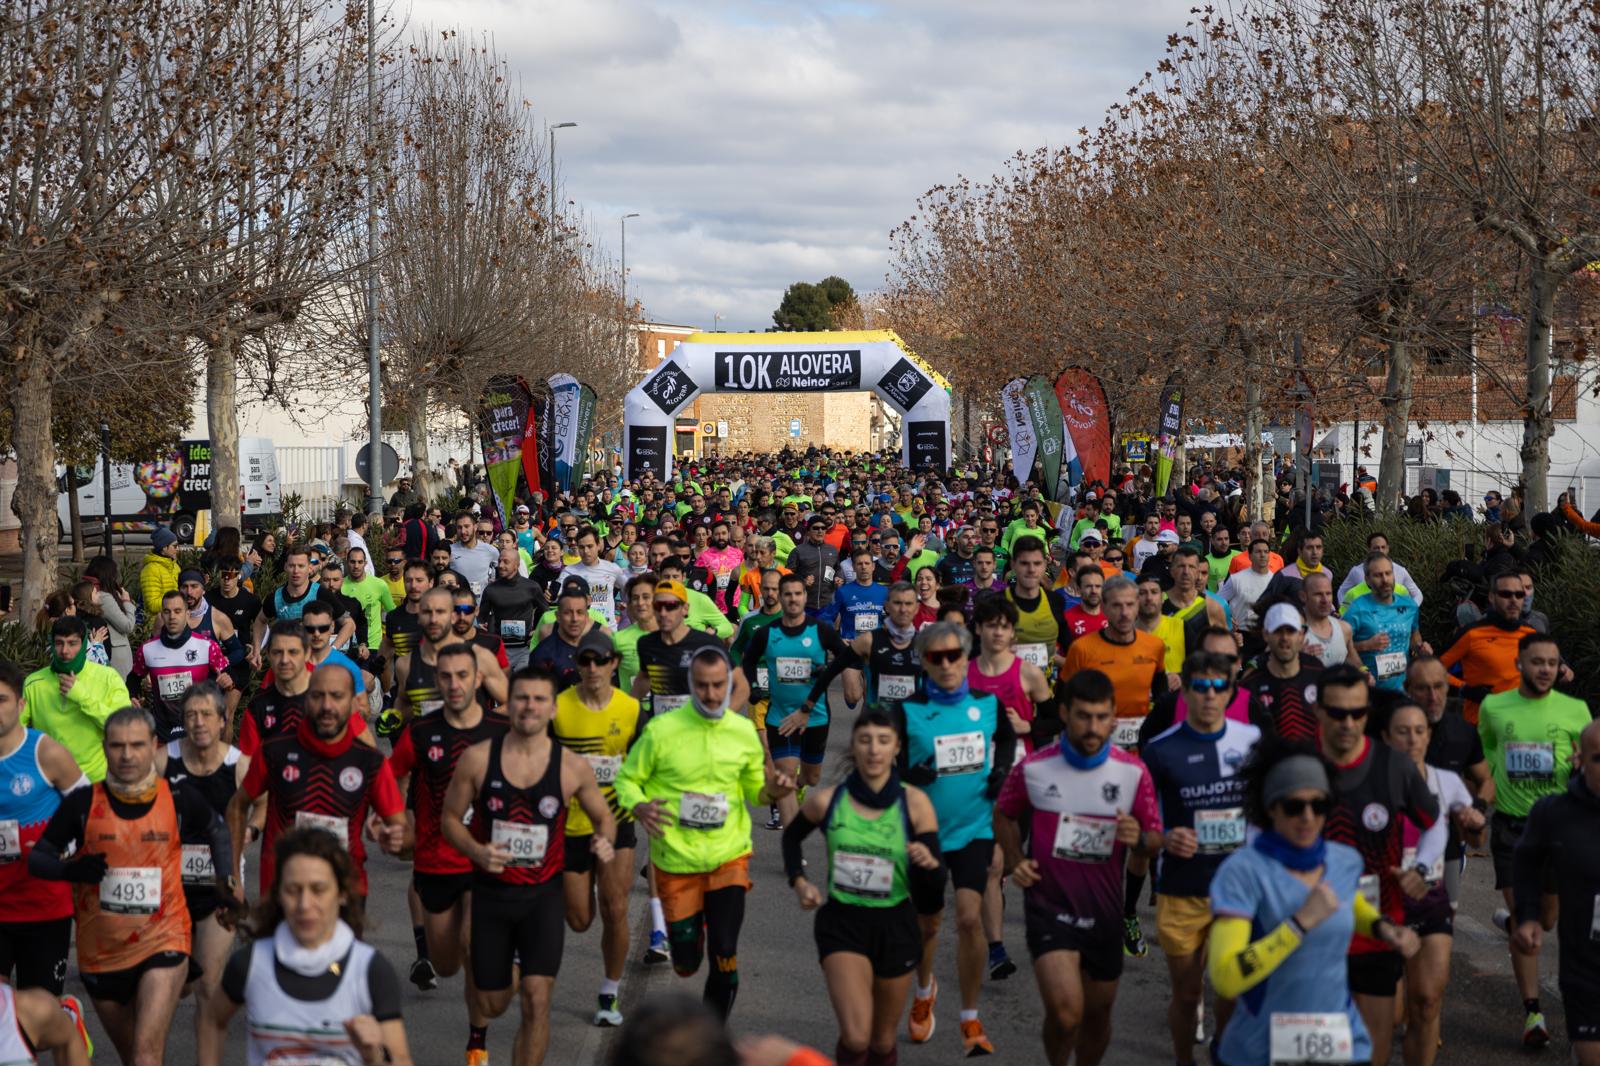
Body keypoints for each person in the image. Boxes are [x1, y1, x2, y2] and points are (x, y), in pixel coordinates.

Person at [30, 706, 237, 1066]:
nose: (127, 755)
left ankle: (182, 973)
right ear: (105, 747)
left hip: (164, 937)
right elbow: (39, 859)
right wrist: (73, 872)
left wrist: (225, 880)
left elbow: (218, 830)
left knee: (145, 1055)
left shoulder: (177, 797)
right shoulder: (82, 803)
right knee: (132, 1056)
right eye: (117, 746)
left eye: (137, 745)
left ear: (153, 745)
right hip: (102, 949)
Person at [1205, 735, 1421, 1066]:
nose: (1308, 816)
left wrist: (1382, 928)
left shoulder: (1343, 860)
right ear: (1271, 808)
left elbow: (1347, 900)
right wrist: (1299, 923)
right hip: (1260, 1047)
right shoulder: (1243, 871)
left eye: (1318, 805)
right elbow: (1225, 976)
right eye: (1294, 806)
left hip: (1335, 1040)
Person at [438, 665, 614, 1066]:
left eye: (538, 700)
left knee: (537, 1001)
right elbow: (450, 820)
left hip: (543, 896)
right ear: (508, 702)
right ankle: (496, 989)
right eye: (521, 698)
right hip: (491, 895)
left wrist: (602, 841)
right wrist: (477, 851)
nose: (529, 707)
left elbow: (603, 816)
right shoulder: (478, 759)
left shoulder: (571, 767)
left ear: (553, 709)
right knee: (494, 1002)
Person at [613, 646, 796, 1019]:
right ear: (691, 686)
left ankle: (712, 1038)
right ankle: (689, 934)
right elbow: (626, 780)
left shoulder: (742, 731)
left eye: (718, 686)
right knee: (685, 962)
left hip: (729, 858)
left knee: (725, 952)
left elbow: (753, 792)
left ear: (729, 684)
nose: (712, 695)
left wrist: (773, 791)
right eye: (703, 686)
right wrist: (639, 805)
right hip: (676, 861)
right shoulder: (662, 730)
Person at [994, 668, 1163, 1066]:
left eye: (1102, 717)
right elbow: (1004, 814)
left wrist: (1136, 836)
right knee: (1066, 1013)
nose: (1093, 726)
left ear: (1113, 718)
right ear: (1065, 713)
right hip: (1050, 908)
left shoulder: (1132, 772)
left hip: (1103, 913)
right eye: (1083, 716)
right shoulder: (1035, 768)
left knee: (1097, 1016)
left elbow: (1155, 839)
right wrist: (1016, 861)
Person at [781, 710, 943, 1066]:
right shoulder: (829, 801)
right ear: (853, 746)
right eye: (865, 740)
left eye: (883, 741)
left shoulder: (914, 804)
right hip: (842, 923)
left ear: (897, 747)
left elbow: (932, 896)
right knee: (856, 1039)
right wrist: (799, 881)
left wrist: (930, 867)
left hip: (896, 926)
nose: (874, 750)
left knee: (882, 1043)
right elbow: (791, 838)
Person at [1315, 663, 1443, 1065]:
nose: (1348, 723)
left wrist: (1420, 869)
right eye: (1337, 713)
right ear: (1318, 711)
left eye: (1357, 713)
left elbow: (1433, 823)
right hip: (1309, 934)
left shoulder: (1394, 766)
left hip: (1377, 931)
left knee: (1371, 1053)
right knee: (1312, 1054)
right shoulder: (1296, 764)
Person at [385, 643, 508, 1061]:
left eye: (463, 676)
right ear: (437, 681)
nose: (454, 684)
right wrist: (394, 818)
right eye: (446, 677)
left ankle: (477, 1044)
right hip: (435, 859)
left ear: (479, 679)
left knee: (475, 944)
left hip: (486, 859)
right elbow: (392, 775)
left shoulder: (500, 729)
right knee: (448, 961)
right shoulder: (421, 733)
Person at [198, 827, 413, 1066]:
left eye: (318, 889)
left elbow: (401, 1059)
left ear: (342, 893)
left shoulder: (370, 970)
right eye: (293, 890)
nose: (304, 904)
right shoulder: (250, 964)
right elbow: (212, 1020)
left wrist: (374, 1055)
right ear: (278, 894)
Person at [898, 621, 1016, 1055]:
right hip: (925, 832)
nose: (947, 664)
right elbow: (883, 764)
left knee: (968, 919)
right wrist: (910, 774)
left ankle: (970, 1017)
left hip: (974, 828)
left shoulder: (986, 704)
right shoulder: (908, 709)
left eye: (954, 656)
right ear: (925, 663)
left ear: (966, 659)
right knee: (928, 924)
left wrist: (1001, 771)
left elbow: (1004, 738)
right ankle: (925, 989)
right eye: (937, 657)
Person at [1143, 651, 1263, 1064]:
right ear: (1186, 692)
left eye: (1219, 687)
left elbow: (1269, 812)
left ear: (1230, 692)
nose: (1209, 696)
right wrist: (1163, 838)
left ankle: (1223, 1052)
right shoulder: (1159, 751)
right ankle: (1183, 1059)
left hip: (1237, 892)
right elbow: (1140, 829)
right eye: (1200, 687)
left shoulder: (1252, 743)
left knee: (1231, 989)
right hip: (1181, 889)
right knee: (1188, 991)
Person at [1479, 631, 1591, 1048]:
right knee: (1529, 926)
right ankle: (1533, 1014)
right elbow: (1489, 757)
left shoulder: (1576, 710)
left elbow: (1586, 766)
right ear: (1519, 665)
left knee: (1547, 920)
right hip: (1512, 829)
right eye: (1536, 661)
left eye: (1551, 662)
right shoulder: (1493, 707)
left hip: (1559, 830)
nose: (1544, 669)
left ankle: (1514, 922)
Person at [226, 664, 409, 899]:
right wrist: (234, 875)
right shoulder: (274, 751)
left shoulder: (370, 761)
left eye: (337, 696)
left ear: (354, 704)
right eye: (318, 696)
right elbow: (238, 805)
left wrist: (394, 838)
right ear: (306, 700)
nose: (327, 705)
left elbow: (405, 840)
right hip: (283, 892)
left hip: (344, 896)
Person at [1382, 701, 1486, 1066]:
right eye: (1402, 731)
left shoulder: (1448, 781)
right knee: (1391, 1016)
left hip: (1430, 901)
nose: (1412, 739)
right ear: (1385, 738)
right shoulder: (1370, 783)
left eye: (1419, 731)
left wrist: (1472, 821)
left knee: (1426, 1004)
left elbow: (1475, 841)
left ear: (1429, 736)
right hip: (1383, 907)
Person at [553, 631, 645, 1027]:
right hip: (570, 826)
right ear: (577, 664)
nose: (592, 668)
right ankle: (579, 887)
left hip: (616, 823)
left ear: (613, 664)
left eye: (600, 661)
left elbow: (644, 764)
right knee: (579, 920)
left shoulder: (631, 710)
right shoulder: (558, 708)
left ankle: (609, 992)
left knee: (616, 908)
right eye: (585, 660)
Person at [159, 682, 246, 1045]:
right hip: (168, 890)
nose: (198, 723)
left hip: (218, 885)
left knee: (209, 986)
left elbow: (264, 801)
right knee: (176, 985)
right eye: (190, 715)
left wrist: (252, 829)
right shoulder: (163, 759)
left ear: (223, 720)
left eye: (207, 714)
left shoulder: (239, 765)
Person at [1510, 718, 1600, 1066]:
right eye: (1598, 759)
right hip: (1586, 965)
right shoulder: (1554, 813)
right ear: (1580, 760)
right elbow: (1527, 861)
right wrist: (1530, 916)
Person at [0, 660, 86, 995]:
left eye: (2, 700)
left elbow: (87, 813)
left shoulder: (45, 753)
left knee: (39, 1013)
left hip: (43, 906)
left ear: (21, 705)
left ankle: (66, 1016)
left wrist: (62, 853)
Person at [741, 573, 853, 827]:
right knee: (786, 775)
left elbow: (846, 657)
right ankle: (792, 847)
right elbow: (747, 660)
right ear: (780, 597)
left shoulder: (820, 630)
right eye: (788, 594)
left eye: (798, 594)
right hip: (779, 715)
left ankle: (800, 786)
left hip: (816, 716)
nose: (793, 599)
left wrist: (825, 673)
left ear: (805, 597)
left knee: (811, 777)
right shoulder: (767, 633)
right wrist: (753, 687)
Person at [22, 616, 131, 782]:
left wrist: (82, 697)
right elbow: (14, 733)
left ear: (84, 644)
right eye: (59, 643)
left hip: (96, 781)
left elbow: (125, 729)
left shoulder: (108, 677)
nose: (65, 651)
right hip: (49, 784)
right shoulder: (33, 683)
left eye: (72, 643)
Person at [132, 588, 234, 741]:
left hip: (199, 728)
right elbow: (132, 679)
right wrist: (131, 696)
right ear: (162, 615)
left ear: (187, 614)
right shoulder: (147, 649)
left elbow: (229, 676)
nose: (172, 616)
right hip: (163, 731)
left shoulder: (207, 646)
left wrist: (228, 683)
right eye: (167, 611)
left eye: (177, 611)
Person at [1436, 568, 1535, 725]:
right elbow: (1432, 669)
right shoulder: (1472, 633)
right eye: (1506, 594)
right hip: (1480, 727)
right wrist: (1465, 690)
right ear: (1491, 597)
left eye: (1519, 594)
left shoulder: (1531, 635)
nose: (1513, 600)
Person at [1238, 603, 1324, 742]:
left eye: (1290, 631)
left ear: (1301, 635)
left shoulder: (1317, 671)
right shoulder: (1249, 687)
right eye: (1278, 631)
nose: (1284, 637)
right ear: (1266, 635)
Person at [1343, 552, 1425, 693]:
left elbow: (1414, 636)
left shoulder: (1409, 605)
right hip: (1369, 692)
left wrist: (1420, 648)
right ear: (1367, 580)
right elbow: (1340, 647)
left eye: (1388, 573)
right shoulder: (1357, 608)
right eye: (1378, 575)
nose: (1385, 579)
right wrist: (1365, 645)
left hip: (1403, 690)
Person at [480, 545, 547, 672]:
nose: (500, 565)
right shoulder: (491, 589)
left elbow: (545, 612)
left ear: (516, 565)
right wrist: (484, 627)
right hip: (500, 649)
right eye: (500, 561)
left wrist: (537, 631)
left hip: (524, 649)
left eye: (506, 562)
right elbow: (481, 617)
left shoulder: (531, 587)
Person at [562, 525, 629, 630]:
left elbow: (630, 589)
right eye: (582, 547)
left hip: (609, 630)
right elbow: (557, 597)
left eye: (590, 546)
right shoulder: (568, 572)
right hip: (582, 632)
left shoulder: (612, 568)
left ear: (598, 545)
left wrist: (623, 604)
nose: (586, 551)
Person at [84, 554, 138, 679]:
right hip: (116, 655)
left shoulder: (88, 592)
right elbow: (127, 626)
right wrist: (127, 602)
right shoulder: (104, 597)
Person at [1301, 570, 1360, 670]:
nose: (1325, 600)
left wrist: (1365, 674)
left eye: (1328, 594)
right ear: (1303, 596)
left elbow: (1354, 662)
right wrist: (1294, 658)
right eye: (1318, 594)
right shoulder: (1292, 632)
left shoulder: (1344, 628)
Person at [451, 511, 501, 599]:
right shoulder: (450, 550)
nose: (463, 531)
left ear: (475, 527)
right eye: (459, 527)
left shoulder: (491, 551)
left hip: (481, 606)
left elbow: (500, 574)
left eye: (466, 526)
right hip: (456, 604)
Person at [140, 525, 183, 615]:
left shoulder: (175, 566)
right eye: (175, 546)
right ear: (164, 548)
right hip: (158, 624)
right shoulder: (150, 570)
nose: (178, 549)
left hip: (175, 619)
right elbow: (152, 605)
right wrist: (178, 599)